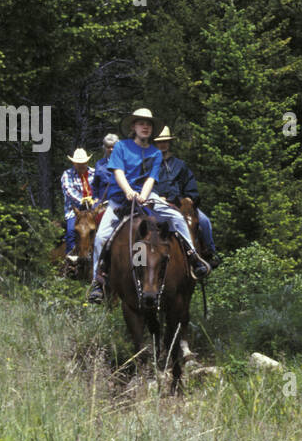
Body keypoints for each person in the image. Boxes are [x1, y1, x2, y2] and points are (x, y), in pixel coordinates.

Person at [87, 108, 211, 303]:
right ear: (133, 127)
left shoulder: (155, 153)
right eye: (141, 123)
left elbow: (151, 178)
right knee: (101, 237)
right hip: (120, 198)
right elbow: (118, 172)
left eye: (149, 124)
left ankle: (193, 258)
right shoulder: (121, 147)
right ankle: (98, 281)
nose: (145, 127)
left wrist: (143, 195)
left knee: (177, 217)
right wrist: (128, 191)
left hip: (146, 196)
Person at [151, 126, 219, 266]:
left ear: (169, 143)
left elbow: (190, 182)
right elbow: (148, 185)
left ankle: (209, 253)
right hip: (159, 204)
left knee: (204, 221)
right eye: (159, 142)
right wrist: (158, 197)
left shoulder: (180, 165)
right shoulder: (150, 164)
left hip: (181, 203)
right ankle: (142, 262)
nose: (163, 144)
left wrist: (190, 197)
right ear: (155, 144)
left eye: (165, 141)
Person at [60, 148, 97, 260]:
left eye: (83, 163)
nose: (81, 165)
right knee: (72, 231)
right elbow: (68, 191)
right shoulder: (67, 174)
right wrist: (82, 200)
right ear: (74, 163)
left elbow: (100, 187)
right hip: (75, 211)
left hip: (93, 209)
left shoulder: (94, 173)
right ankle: (71, 257)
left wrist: (95, 200)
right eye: (78, 163)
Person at [92, 134, 119, 203]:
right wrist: (95, 198)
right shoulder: (99, 164)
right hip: (103, 202)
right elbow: (95, 185)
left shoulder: (125, 163)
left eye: (113, 147)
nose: (111, 149)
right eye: (108, 147)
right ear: (104, 148)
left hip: (120, 201)